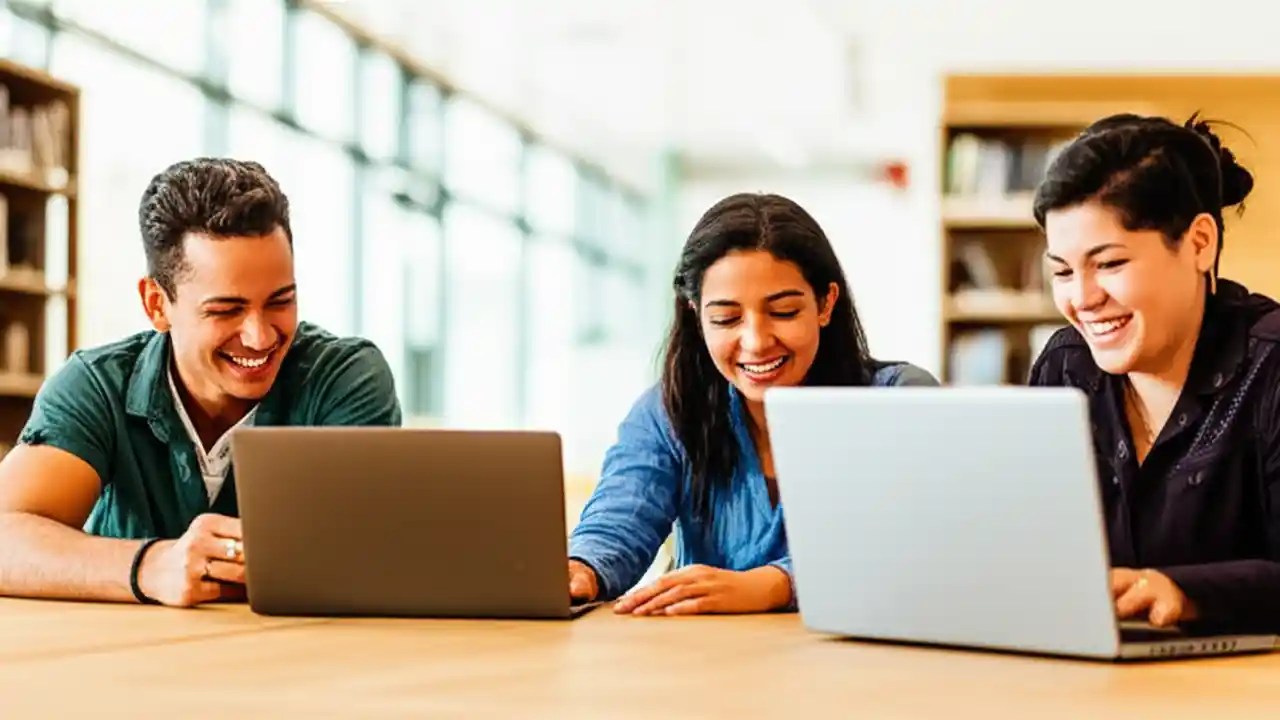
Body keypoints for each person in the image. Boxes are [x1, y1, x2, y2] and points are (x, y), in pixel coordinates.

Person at [0, 158, 400, 608]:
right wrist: (152, 566)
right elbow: (5, 538)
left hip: (303, 661)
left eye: (280, 301)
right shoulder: (97, 385)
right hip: (129, 664)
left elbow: (367, 556)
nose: (260, 335)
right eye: (226, 310)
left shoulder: (345, 378)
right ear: (157, 304)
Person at [566, 192, 937, 616]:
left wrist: (773, 585)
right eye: (726, 318)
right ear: (695, 314)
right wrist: (583, 569)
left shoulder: (899, 400)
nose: (757, 342)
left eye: (783, 312)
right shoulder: (667, 410)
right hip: (713, 664)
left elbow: (910, 544)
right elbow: (619, 521)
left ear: (825, 303)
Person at [1030, 113, 1280, 633]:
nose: (1082, 299)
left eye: (1110, 264)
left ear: (1199, 243)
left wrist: (1187, 593)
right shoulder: (1065, 368)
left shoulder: (1272, 364)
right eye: (1061, 271)